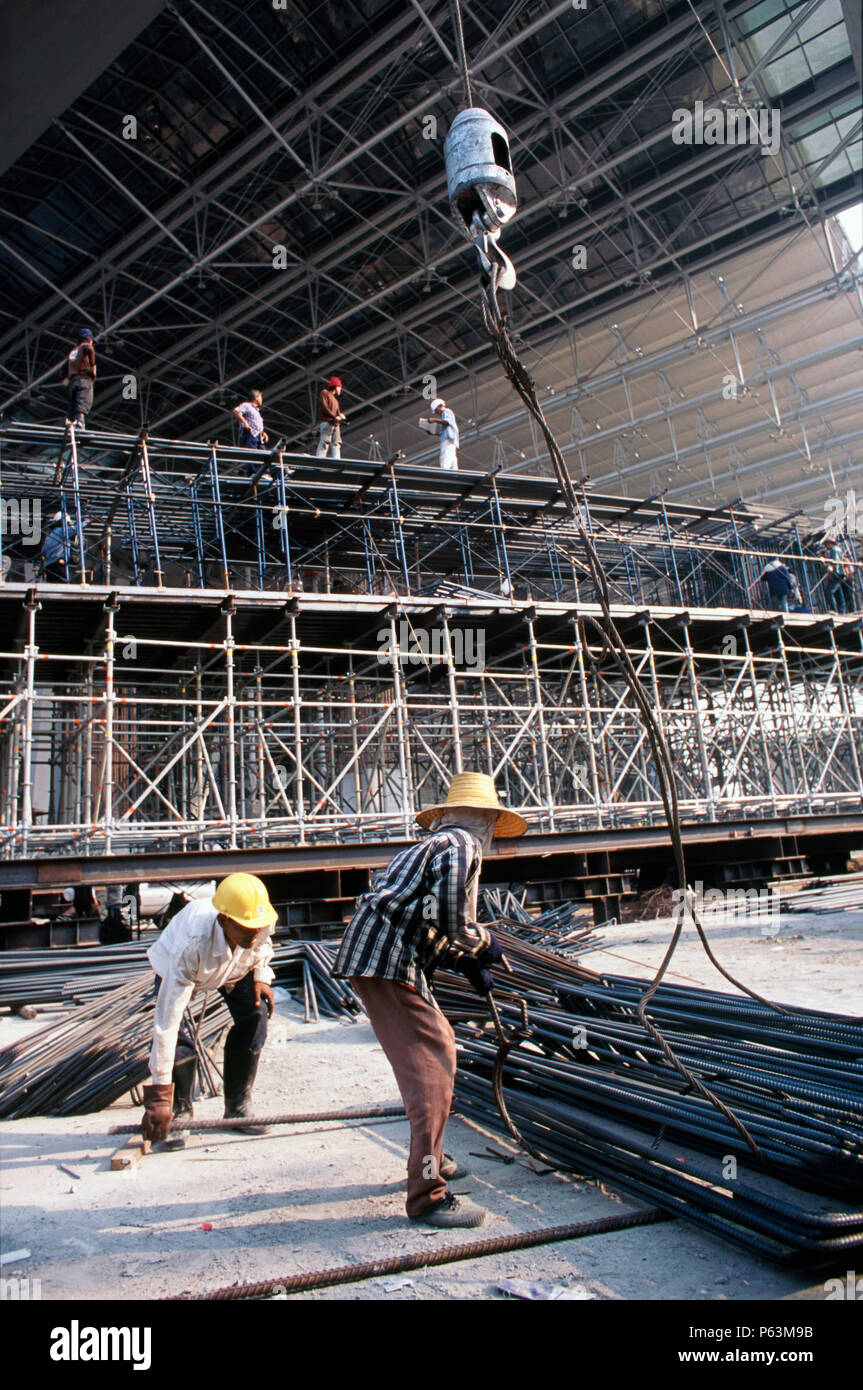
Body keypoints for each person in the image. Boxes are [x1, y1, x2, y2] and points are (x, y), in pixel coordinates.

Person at [333, 771, 526, 1229]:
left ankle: (431, 1156)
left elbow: (422, 918)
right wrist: (482, 947)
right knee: (434, 1064)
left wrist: (460, 960)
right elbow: (452, 917)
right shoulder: (462, 847)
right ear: (485, 819)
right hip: (388, 961)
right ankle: (427, 1193)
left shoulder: (426, 849)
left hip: (378, 956)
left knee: (426, 1063)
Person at [141, 873, 278, 1144]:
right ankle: (180, 1112)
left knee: (255, 1015)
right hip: (185, 967)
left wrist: (262, 975)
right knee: (177, 1036)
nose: (254, 933)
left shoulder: (256, 922)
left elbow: (264, 943)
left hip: (233, 968)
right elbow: (166, 1024)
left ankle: (237, 1108)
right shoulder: (191, 946)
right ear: (224, 920)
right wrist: (158, 1096)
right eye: (246, 928)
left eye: (256, 927)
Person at [60, 329, 96, 430]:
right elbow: (89, 348)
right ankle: (80, 424)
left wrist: (64, 378)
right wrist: (93, 365)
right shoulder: (85, 345)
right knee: (83, 401)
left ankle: (70, 424)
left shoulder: (73, 352)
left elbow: (64, 367)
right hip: (84, 379)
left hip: (73, 382)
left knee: (72, 405)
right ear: (88, 339)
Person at [232, 390, 271, 476]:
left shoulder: (256, 410)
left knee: (264, 454)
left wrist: (263, 432)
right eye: (260, 397)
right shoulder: (247, 405)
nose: (261, 399)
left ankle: (265, 473)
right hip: (250, 434)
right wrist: (245, 422)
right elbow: (236, 411)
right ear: (256, 397)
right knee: (251, 453)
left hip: (258, 435)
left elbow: (256, 423)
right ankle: (251, 473)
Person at [419, 397, 460, 470]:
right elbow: (443, 432)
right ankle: (454, 472)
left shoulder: (446, 411)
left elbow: (447, 422)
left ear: (440, 406)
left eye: (436, 410)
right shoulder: (442, 418)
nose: (436, 412)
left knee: (445, 458)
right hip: (449, 440)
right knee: (451, 458)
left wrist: (434, 420)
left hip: (447, 440)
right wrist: (433, 433)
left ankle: (445, 471)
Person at [316, 375, 346, 459]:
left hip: (335, 424)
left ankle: (337, 459)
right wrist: (334, 416)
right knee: (325, 441)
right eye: (340, 387)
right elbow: (324, 407)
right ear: (336, 386)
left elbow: (338, 412)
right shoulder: (324, 392)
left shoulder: (335, 400)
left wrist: (341, 416)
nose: (340, 390)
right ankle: (320, 458)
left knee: (337, 443)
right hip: (327, 422)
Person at [822, 538, 849, 615]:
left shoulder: (834, 549)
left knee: (828, 591)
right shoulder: (837, 549)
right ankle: (841, 611)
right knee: (838, 592)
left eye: (826, 545)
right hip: (839, 573)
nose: (826, 547)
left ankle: (833, 609)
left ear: (830, 543)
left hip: (837, 573)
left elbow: (835, 561)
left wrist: (826, 561)